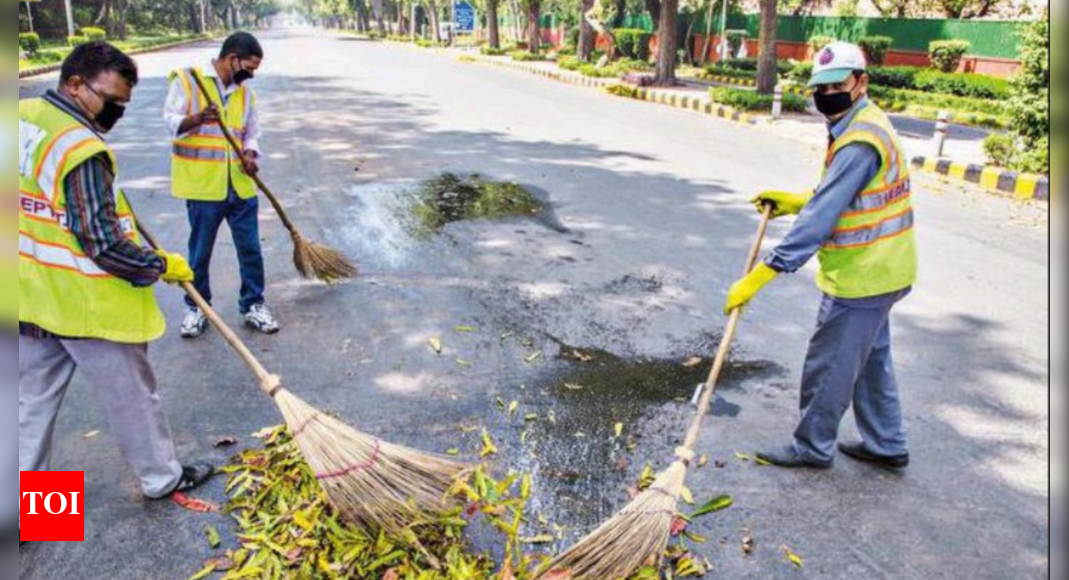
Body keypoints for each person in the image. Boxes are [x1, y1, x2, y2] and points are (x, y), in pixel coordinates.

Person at [18, 42, 215, 511]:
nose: (116, 113)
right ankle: (161, 478)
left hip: (28, 293)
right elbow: (102, 244)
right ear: (74, 84)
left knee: (28, 406)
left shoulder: (20, 117)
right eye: (110, 101)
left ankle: (26, 515)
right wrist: (159, 265)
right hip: (85, 303)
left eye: (123, 105)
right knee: (132, 398)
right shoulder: (80, 148)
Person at [724, 42, 917, 470]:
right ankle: (887, 443)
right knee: (870, 361)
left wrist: (761, 275)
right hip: (887, 270)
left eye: (837, 85)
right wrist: (798, 200)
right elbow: (843, 193)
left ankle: (812, 447)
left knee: (830, 364)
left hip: (862, 275)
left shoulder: (860, 140)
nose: (827, 94)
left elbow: (819, 220)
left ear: (861, 82)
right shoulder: (862, 122)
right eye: (821, 87)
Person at [164, 32, 278, 339]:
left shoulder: (245, 94)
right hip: (204, 188)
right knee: (199, 253)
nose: (251, 74)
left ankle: (253, 304)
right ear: (232, 59)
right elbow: (170, 122)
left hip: (240, 186)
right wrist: (198, 118)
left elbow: (251, 132)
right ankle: (197, 307)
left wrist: (250, 154)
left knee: (251, 249)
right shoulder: (188, 81)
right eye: (249, 67)